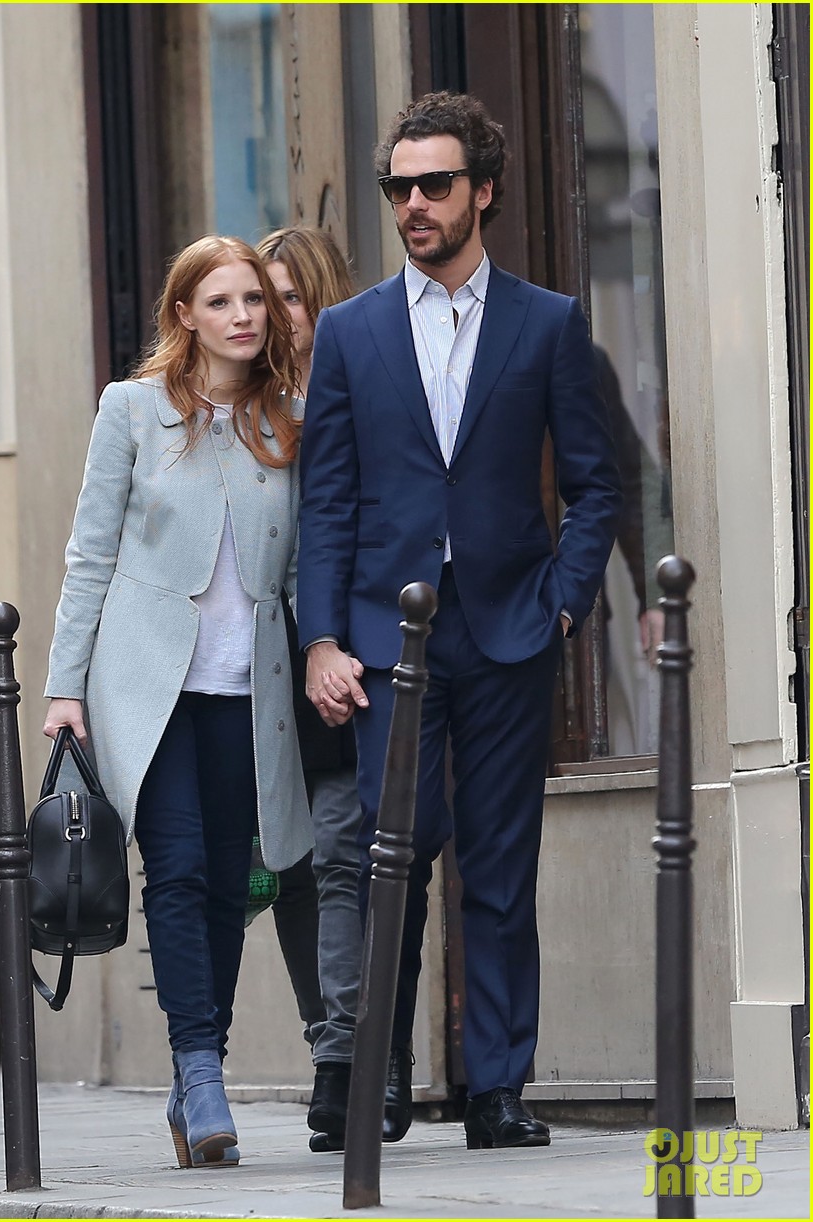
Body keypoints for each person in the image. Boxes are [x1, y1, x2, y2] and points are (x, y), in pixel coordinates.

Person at [297, 92, 622, 1151]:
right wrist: (319, 639)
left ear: (482, 189)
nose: (412, 205)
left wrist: (565, 601)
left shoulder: (547, 322)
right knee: (396, 859)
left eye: (433, 185)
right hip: (387, 645)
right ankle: (379, 1080)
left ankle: (495, 1088)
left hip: (509, 632)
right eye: (398, 187)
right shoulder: (348, 333)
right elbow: (327, 499)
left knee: (498, 863)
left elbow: (592, 482)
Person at [42, 235, 312, 1169]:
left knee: (234, 885)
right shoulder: (131, 410)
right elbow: (89, 557)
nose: (242, 316)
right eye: (221, 301)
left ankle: (198, 1065)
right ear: (184, 316)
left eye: (253, 301)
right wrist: (62, 686)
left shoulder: (290, 418)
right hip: (148, 686)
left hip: (253, 694)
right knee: (183, 870)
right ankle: (200, 1071)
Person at [255, 227, 363, 1153]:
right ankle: (329, 1046)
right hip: (256, 666)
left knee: (335, 854)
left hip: (333, 657)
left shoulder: (356, 393)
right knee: (284, 866)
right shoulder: (244, 409)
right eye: (261, 296)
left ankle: (348, 1058)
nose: (270, 316)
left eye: (287, 297)